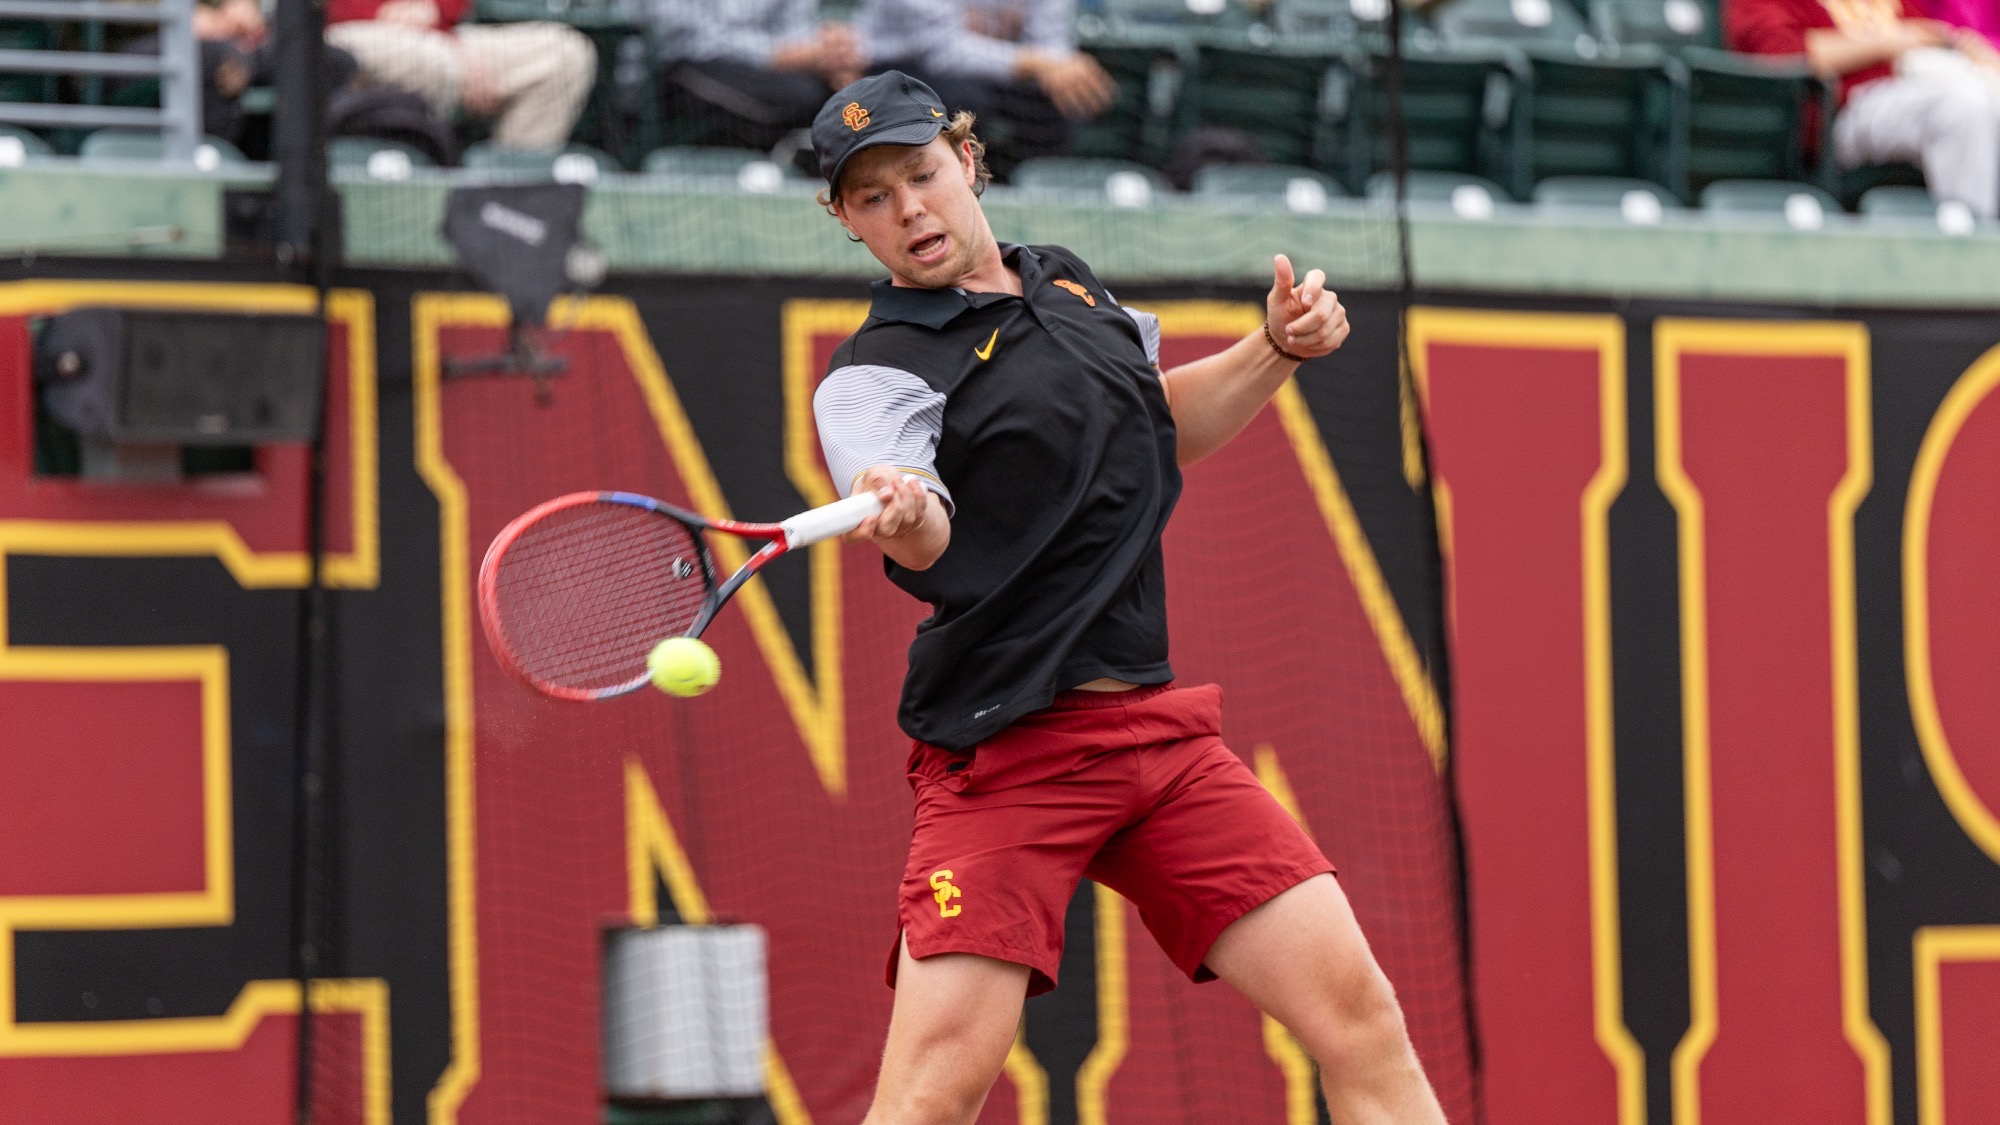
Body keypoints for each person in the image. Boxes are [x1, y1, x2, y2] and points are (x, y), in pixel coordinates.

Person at [808, 70, 1447, 1125]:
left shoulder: (1066, 285)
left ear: (967, 161)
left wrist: (1275, 346)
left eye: (920, 175)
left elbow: (1158, 426)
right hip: (1004, 756)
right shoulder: (871, 378)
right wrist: (902, 503)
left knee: (1359, 1016)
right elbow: (922, 532)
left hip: (1156, 743)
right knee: (930, 1097)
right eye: (872, 198)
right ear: (845, 220)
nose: (908, 210)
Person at [1729, 0, 2000, 216]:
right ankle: (1971, 262)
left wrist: (1969, 51)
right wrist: (1891, 41)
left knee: (1981, 97)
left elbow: (1929, 34)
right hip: (1844, 110)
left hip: (1921, 90)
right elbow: (1779, 56)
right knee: (1965, 106)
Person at [858, 0, 1115, 177]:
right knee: (964, 98)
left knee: (1059, 96)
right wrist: (1040, 62)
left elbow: (1051, 43)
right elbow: (940, 49)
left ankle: (1036, 201)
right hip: (898, 69)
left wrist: (1062, 67)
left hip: (993, 72)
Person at [324, 0, 595, 151]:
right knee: (430, 63)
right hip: (337, 37)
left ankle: (508, 207)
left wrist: (439, 13)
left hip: (439, 38)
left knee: (564, 56)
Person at [650, 0, 866, 151]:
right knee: (805, 98)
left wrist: (826, 52)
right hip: (674, 68)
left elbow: (795, 26)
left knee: (844, 94)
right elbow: (687, 35)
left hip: (762, 67)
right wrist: (775, 54)